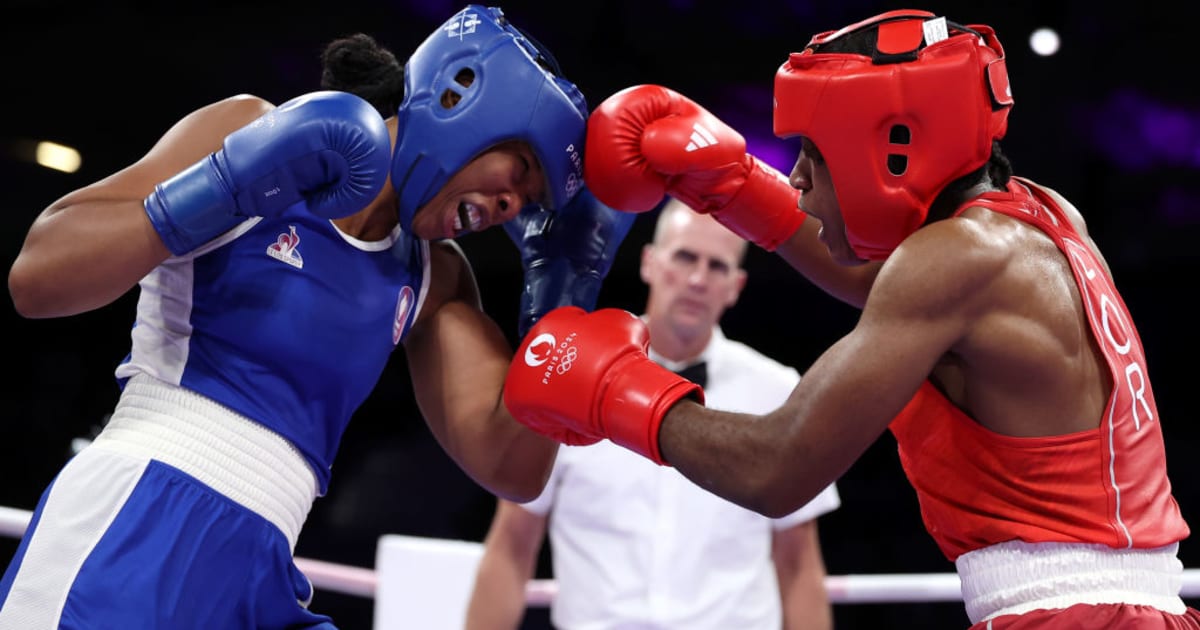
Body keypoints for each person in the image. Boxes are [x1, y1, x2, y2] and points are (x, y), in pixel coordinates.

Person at [502, 9, 1200, 629]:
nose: (798, 178)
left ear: (893, 146)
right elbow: (880, 282)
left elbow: (778, 469)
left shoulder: (959, 257)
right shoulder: (1038, 216)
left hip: (1072, 617)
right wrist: (732, 186)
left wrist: (612, 392)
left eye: (813, 152)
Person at [0, 5, 633, 628]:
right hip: (136, 523)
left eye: (527, 201)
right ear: (461, 101)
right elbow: (37, 279)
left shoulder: (434, 277)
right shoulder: (252, 130)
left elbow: (514, 469)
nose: (508, 204)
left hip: (261, 567)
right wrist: (228, 183)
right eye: (519, 171)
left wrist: (564, 301)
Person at [465, 198, 840, 630]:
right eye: (684, 256)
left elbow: (799, 567)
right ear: (649, 263)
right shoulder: (567, 375)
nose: (698, 279)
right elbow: (512, 545)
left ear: (735, 286)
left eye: (716, 266)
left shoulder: (777, 390)